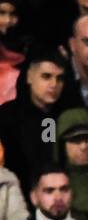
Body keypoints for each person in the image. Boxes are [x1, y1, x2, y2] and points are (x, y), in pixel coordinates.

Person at [0, 49, 69, 193]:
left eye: (60, 78)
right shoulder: (6, 116)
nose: (54, 84)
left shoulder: (65, 117)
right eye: (46, 76)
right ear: (29, 77)